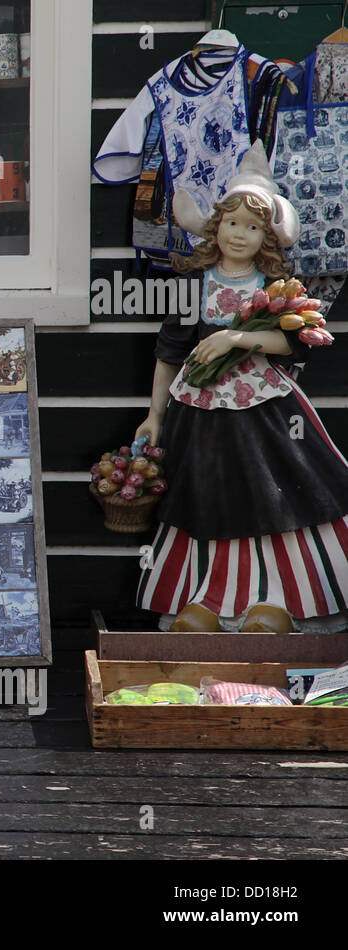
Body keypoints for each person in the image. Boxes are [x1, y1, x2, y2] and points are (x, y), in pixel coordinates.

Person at [134, 145, 348, 632]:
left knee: (272, 491)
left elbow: (293, 343)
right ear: (217, 226)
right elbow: (169, 352)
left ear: (266, 238)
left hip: (263, 410)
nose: (239, 235)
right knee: (204, 493)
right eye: (232, 223)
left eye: (252, 227)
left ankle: (276, 598)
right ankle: (205, 597)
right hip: (199, 409)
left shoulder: (274, 286)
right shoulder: (193, 283)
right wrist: (156, 415)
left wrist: (239, 336)